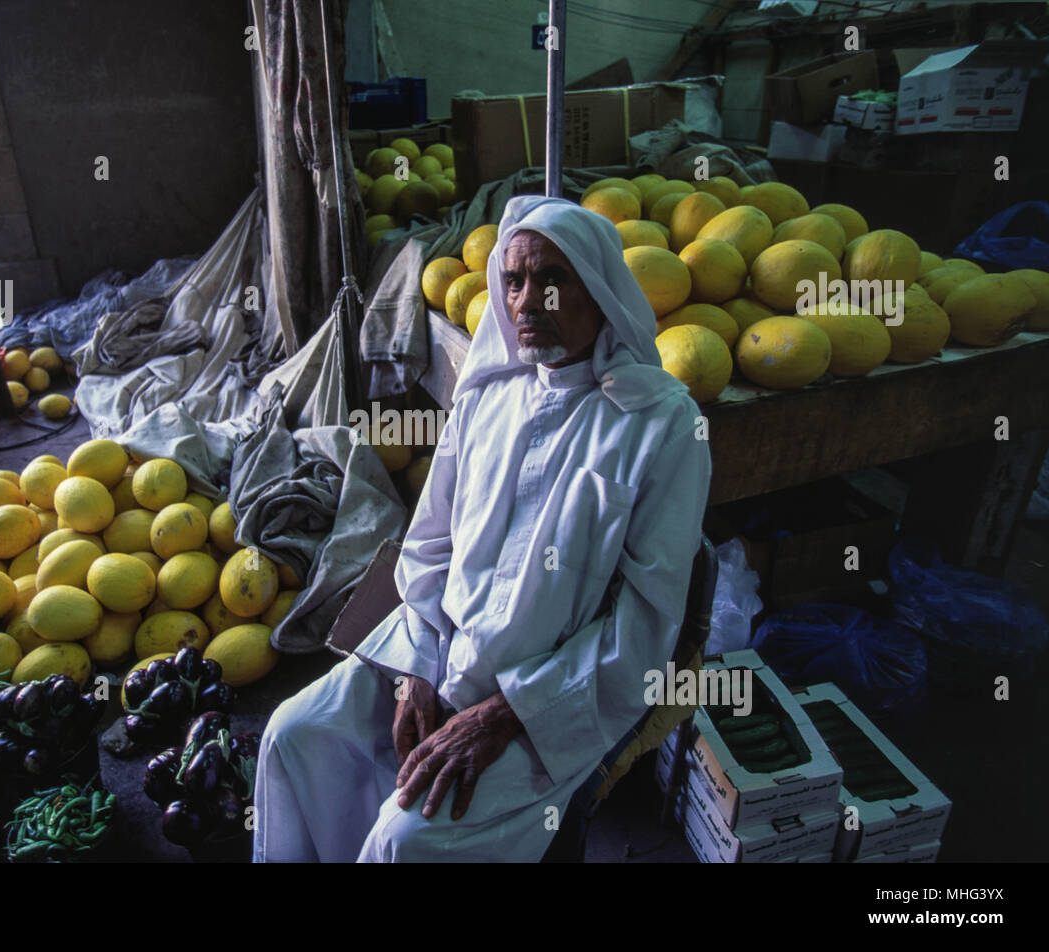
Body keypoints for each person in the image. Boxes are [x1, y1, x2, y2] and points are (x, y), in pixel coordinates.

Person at [253, 196, 712, 862]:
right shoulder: (486, 395)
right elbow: (430, 548)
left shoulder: (661, 424)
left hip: (551, 700)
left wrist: (508, 714)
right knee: (294, 735)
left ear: (600, 289)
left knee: (407, 839)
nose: (527, 300)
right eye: (515, 280)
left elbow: (643, 625)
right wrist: (413, 672)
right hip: (436, 649)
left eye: (553, 279)